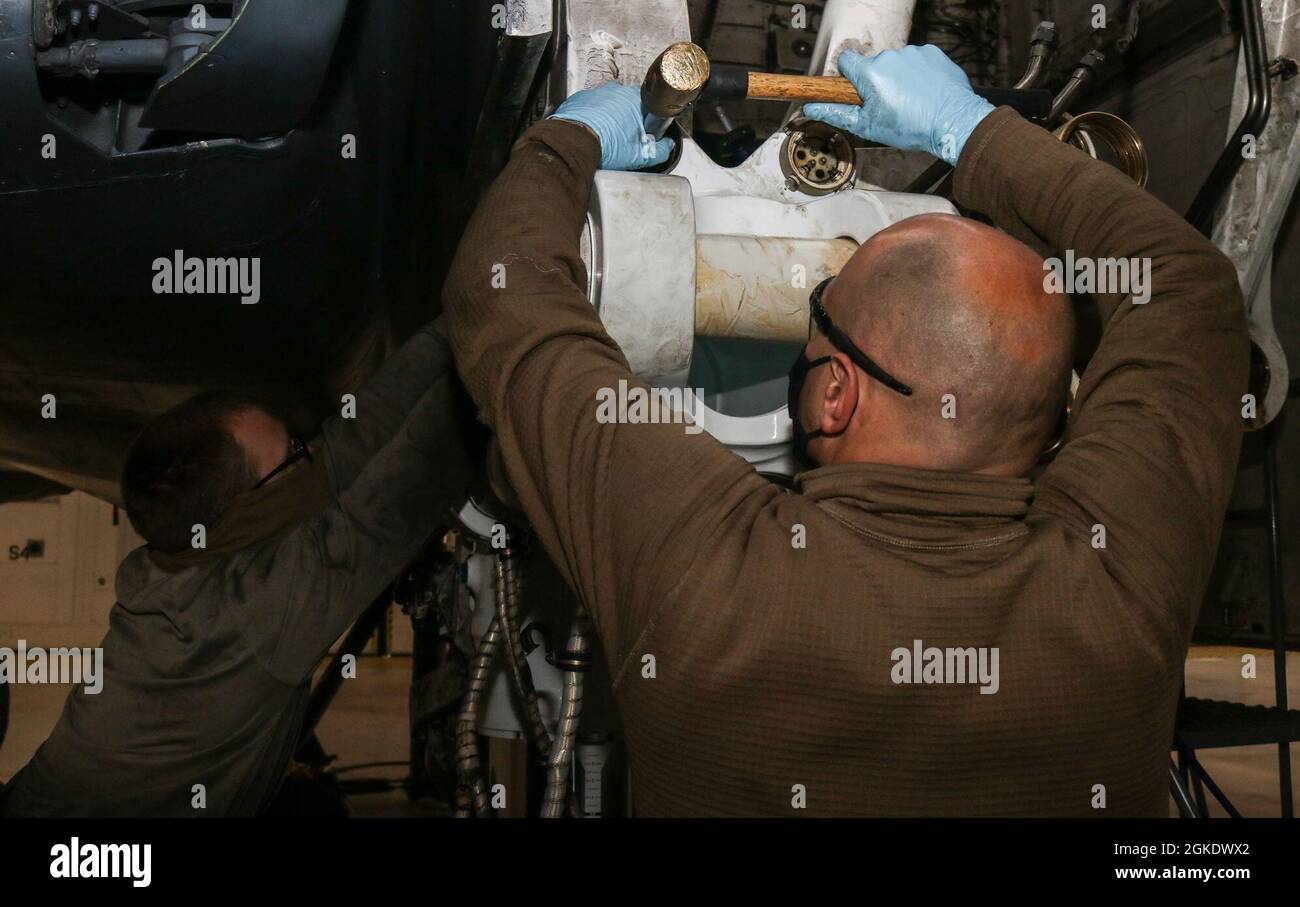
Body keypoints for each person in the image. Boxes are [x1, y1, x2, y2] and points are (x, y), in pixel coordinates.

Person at [440, 46, 1247, 815]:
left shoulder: (701, 562)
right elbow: (1189, 287)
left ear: (836, 396)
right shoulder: (1126, 578)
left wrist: (570, 138)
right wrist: (969, 129)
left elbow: (500, 292)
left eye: (819, 313)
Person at [0, 321, 473, 816]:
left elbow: (342, 449)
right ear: (248, 513)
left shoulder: (178, 562)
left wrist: (449, 328)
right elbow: (427, 460)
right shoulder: (253, 608)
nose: (308, 457)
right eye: (292, 455)